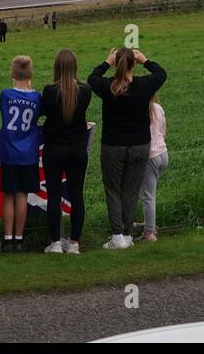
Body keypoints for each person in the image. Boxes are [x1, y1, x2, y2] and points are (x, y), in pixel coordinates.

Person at [89, 47, 167, 249]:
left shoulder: (108, 87)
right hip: (140, 145)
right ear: (134, 64)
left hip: (113, 145)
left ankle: (117, 237)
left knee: (113, 190)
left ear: (117, 63)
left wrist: (107, 62)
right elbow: (161, 74)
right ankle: (128, 234)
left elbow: (92, 78)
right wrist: (145, 60)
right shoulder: (144, 85)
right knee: (131, 191)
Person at [39, 49, 92, 254]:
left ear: (56, 67)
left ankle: (55, 243)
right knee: (77, 195)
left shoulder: (50, 91)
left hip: (54, 149)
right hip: (77, 149)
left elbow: (45, 113)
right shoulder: (85, 90)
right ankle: (74, 243)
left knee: (54, 195)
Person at [0, 55, 41, 251]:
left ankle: (8, 239)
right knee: (22, 195)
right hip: (28, 154)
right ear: (31, 74)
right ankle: (19, 238)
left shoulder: (6, 94)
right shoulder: (36, 97)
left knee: (8, 195)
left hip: (8, 152)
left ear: (12, 74)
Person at [137, 91, 168, 241]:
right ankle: (149, 223)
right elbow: (163, 130)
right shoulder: (158, 108)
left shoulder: (139, 110)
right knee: (149, 192)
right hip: (163, 153)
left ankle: (149, 232)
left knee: (147, 195)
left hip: (150, 156)